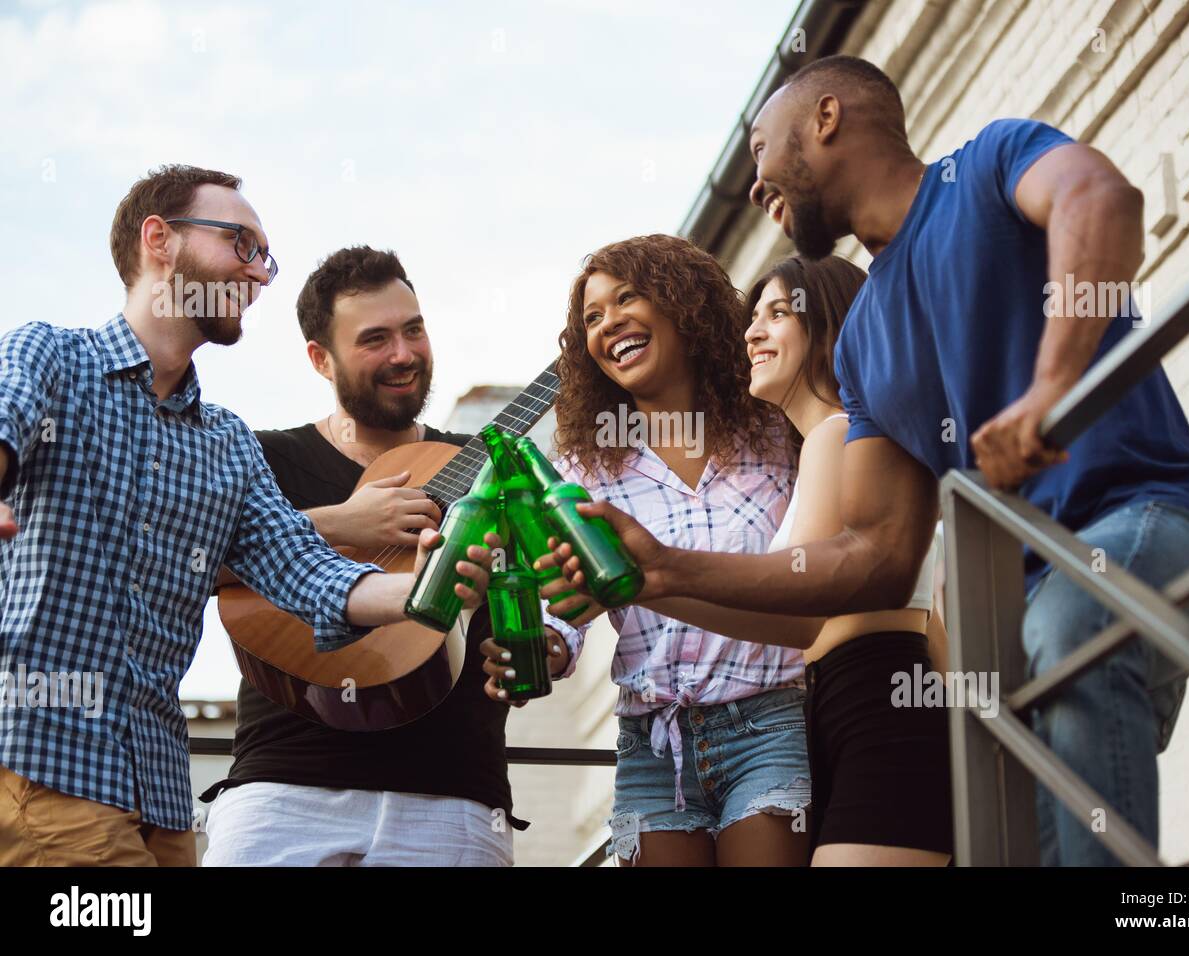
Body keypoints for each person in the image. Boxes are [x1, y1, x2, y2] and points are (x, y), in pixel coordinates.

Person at [551, 56, 1189, 866]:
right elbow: (875, 557)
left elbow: (1100, 198)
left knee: (1070, 626)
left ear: (825, 118)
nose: (754, 184)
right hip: (1012, 620)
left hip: (1147, 518)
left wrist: (1051, 387)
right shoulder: (864, 343)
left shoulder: (986, 165)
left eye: (760, 148)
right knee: (1032, 831)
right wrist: (664, 571)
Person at [0, 167, 489, 866]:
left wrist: (428, 588)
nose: (259, 275)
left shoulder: (225, 443)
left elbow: (309, 572)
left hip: (161, 797)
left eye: (265, 258)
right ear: (159, 240)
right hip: (44, 767)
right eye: (242, 244)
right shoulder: (52, 358)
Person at [548, 254, 952, 865]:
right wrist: (553, 637)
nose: (753, 334)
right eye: (592, 316)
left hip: (791, 716)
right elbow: (922, 606)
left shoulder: (795, 439)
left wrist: (645, 578)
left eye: (778, 315)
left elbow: (799, 609)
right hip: (670, 732)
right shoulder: (587, 467)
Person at [200, 246, 581, 866]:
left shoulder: (494, 464)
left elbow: (561, 591)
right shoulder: (264, 458)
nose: (403, 354)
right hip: (282, 792)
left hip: (454, 795)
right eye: (374, 339)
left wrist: (549, 647)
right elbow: (178, 562)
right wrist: (340, 525)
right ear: (320, 359)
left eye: (413, 329)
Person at [482, 234, 808, 866]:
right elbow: (563, 600)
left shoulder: (777, 429)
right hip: (651, 741)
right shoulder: (583, 466)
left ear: (685, 306)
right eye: (592, 318)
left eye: (627, 298)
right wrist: (544, 649)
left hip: (771, 723)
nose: (609, 324)